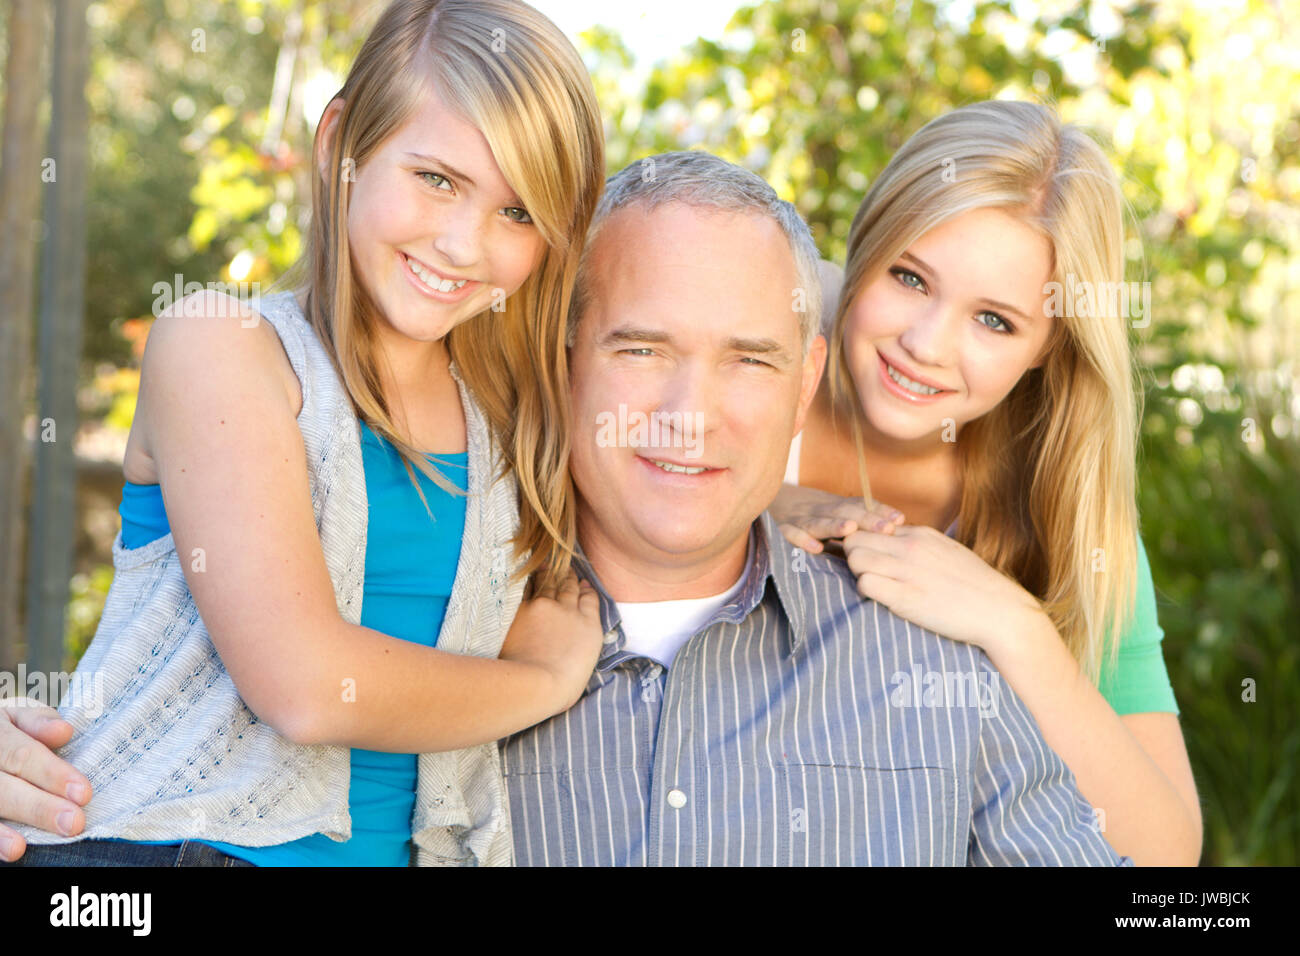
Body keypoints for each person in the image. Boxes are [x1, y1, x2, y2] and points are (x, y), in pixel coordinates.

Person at [5, 151, 1128, 866]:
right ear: (562, 355)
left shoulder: (931, 652)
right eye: (643, 348)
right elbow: (145, 775)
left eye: (747, 359)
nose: (690, 414)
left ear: (805, 375)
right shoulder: (408, 640)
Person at [0, 0, 606, 867]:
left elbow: (707, 443)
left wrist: (816, 505)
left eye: (518, 214)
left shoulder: (520, 424)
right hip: (153, 859)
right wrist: (541, 682)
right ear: (339, 148)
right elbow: (305, 688)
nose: (464, 242)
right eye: (436, 179)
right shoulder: (225, 347)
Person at [770, 100, 1201, 864]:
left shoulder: (1069, 506)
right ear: (867, 243)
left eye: (994, 320)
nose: (924, 344)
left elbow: (1167, 856)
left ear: (1048, 345)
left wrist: (1015, 626)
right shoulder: (765, 333)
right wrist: (764, 500)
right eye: (909, 277)